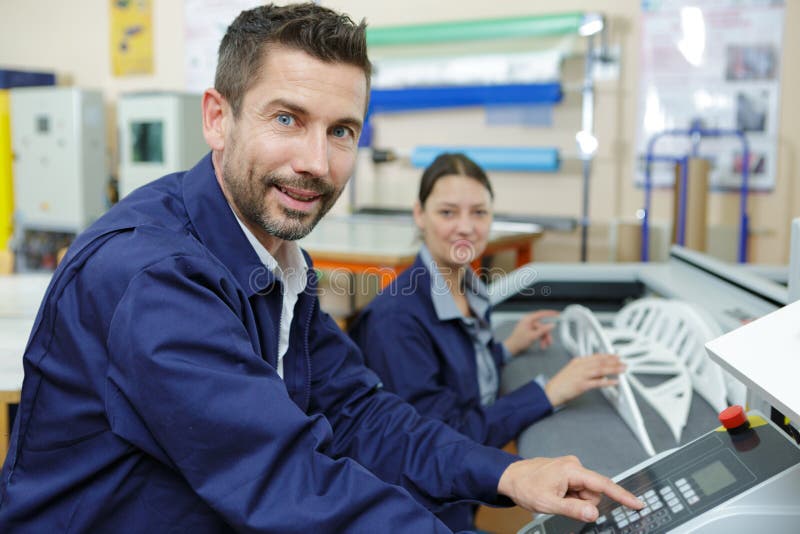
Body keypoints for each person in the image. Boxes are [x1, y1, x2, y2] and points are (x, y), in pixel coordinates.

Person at [0, 4, 640, 532]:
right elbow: (287, 477)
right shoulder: (153, 277)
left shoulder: (277, 261)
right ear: (218, 119)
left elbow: (360, 412)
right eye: (287, 119)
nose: (316, 161)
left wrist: (505, 474)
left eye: (341, 131)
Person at [349, 153, 627, 530]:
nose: (465, 227)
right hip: (421, 507)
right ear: (419, 214)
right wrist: (551, 392)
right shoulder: (396, 320)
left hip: (459, 494)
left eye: (479, 212)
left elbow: (453, 372)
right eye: (448, 213)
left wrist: (504, 348)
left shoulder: (468, 288)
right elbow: (444, 440)